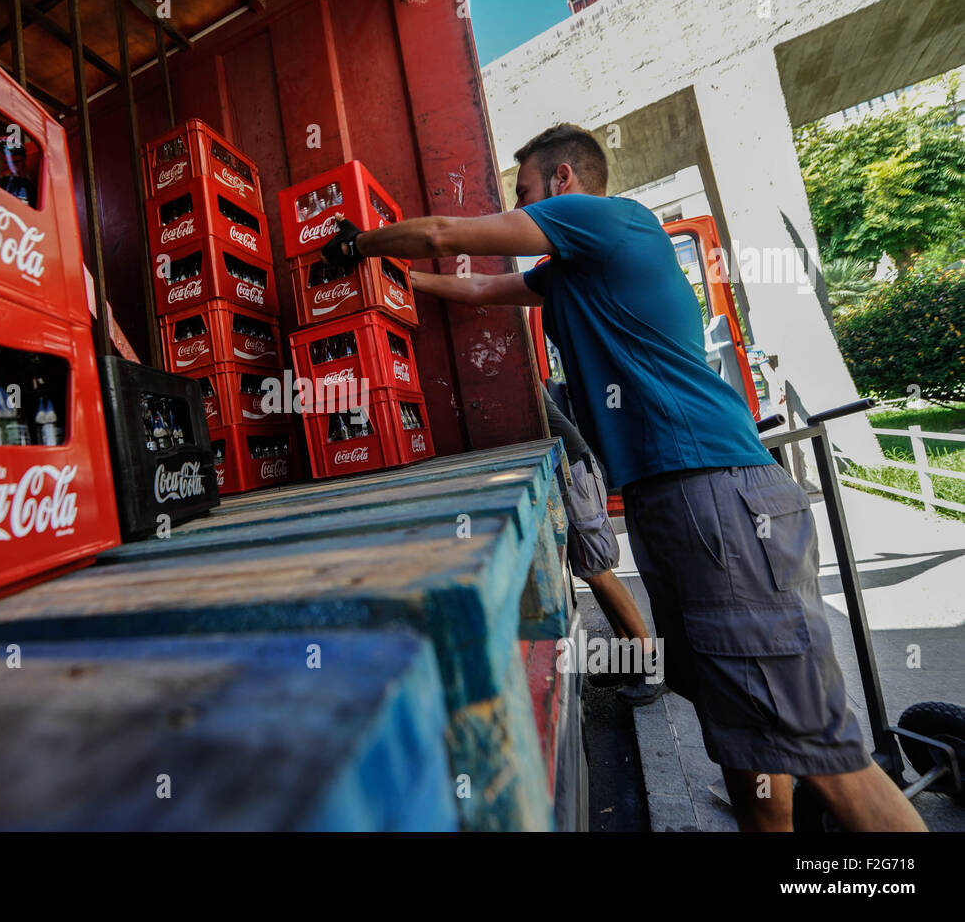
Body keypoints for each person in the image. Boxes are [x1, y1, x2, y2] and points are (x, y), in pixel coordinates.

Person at [320, 123, 927, 832]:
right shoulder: (576, 269)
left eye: (524, 193)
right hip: (679, 504)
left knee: (824, 751)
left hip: (717, 496)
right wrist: (388, 282)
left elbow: (448, 234)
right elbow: (484, 286)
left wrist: (355, 244)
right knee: (746, 738)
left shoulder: (599, 218)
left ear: (564, 180)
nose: (521, 206)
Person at [541, 385, 664, 706]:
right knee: (591, 572)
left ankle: (651, 665)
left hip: (574, 473)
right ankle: (630, 661)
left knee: (599, 572)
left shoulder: (519, 376)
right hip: (571, 470)